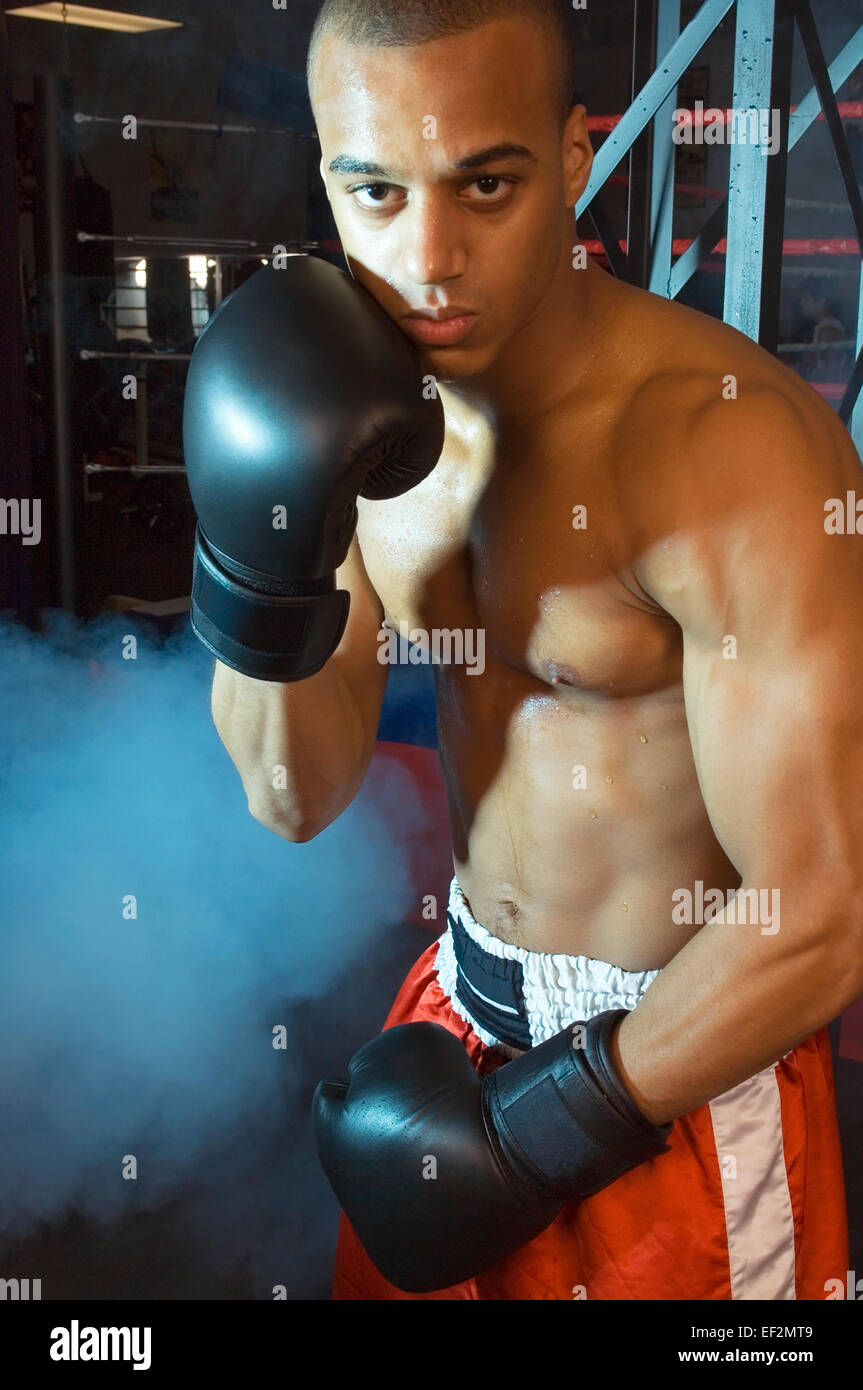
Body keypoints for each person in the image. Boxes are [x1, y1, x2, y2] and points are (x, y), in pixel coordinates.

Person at [200, 0, 863, 1300]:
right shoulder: (361, 417)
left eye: (484, 184)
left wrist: (539, 1137)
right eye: (376, 193)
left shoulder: (726, 449)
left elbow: (824, 915)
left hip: (668, 1078)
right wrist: (252, 556)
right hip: (454, 1030)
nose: (428, 258)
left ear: (571, 154)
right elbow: (293, 797)